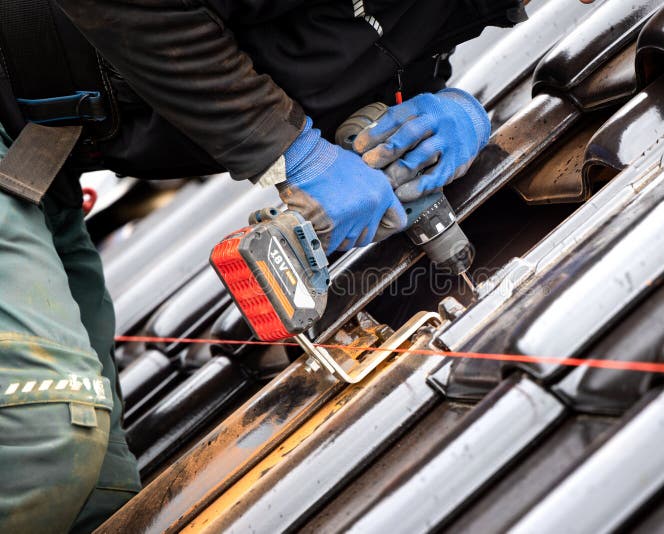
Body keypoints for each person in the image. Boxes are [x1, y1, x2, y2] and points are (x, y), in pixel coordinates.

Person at [0, 0, 525, 531]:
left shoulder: (466, 9)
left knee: (95, 494)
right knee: (44, 439)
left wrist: (448, 108)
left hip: (39, 161)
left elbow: (324, 52)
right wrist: (296, 152)